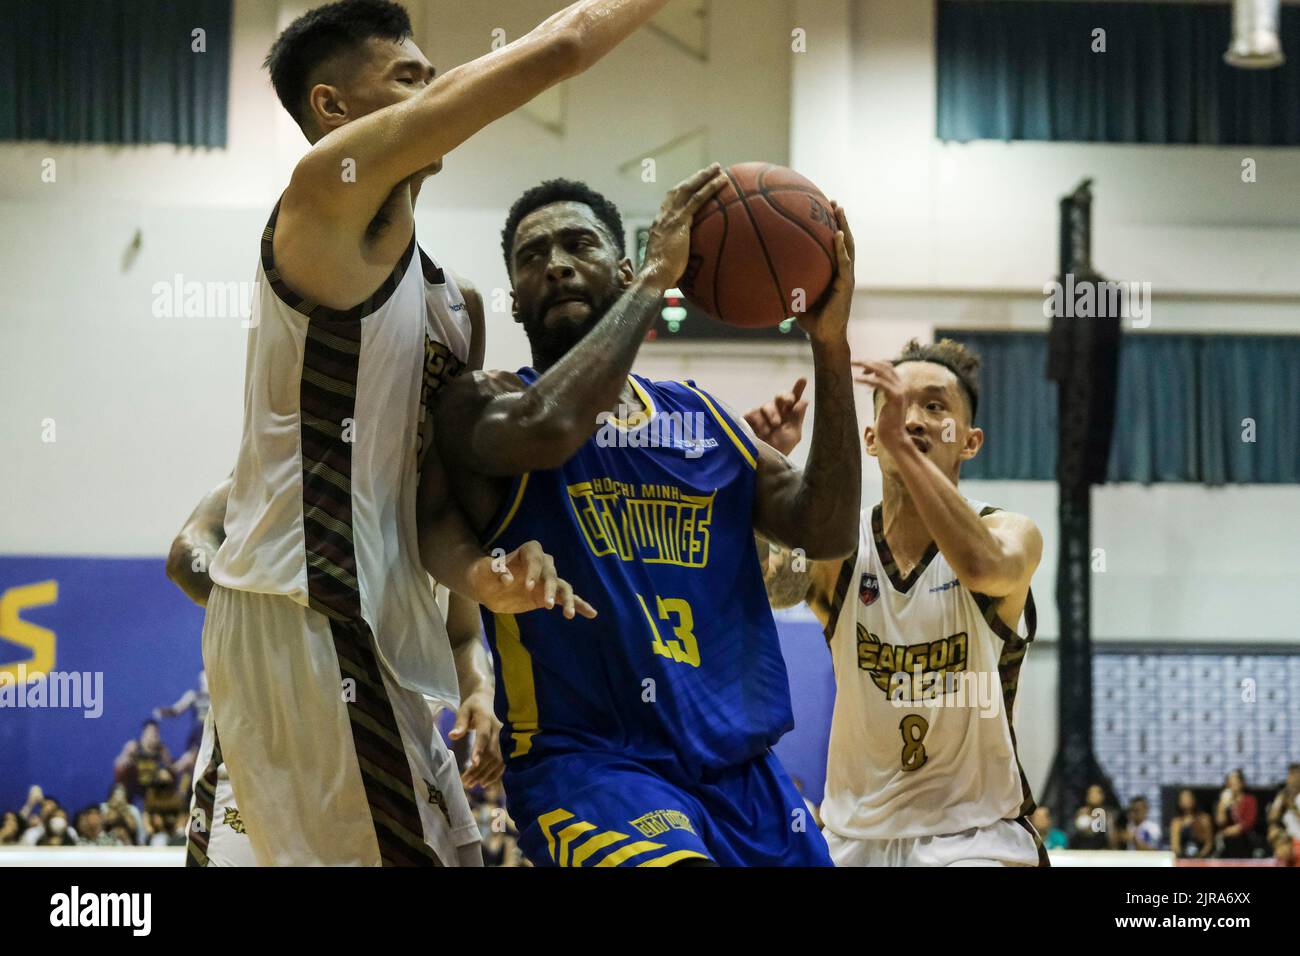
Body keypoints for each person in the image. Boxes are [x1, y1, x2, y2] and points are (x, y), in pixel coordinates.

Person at [185, 0, 672, 866]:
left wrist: (485, 580)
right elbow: (562, 44)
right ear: (332, 108)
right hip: (307, 612)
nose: (436, 90)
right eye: (409, 77)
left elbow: (429, 508)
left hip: (371, 633)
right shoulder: (320, 198)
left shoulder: (453, 303)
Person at [434, 172, 860, 866]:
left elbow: (828, 529)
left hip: (742, 776)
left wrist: (832, 344)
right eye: (532, 257)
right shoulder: (484, 407)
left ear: (625, 268)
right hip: (594, 770)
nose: (557, 265)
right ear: (513, 299)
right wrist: (657, 281)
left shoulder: (705, 419)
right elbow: (554, 425)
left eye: (579, 244)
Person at [755, 339, 1044, 866]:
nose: (911, 421)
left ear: (970, 441)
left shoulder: (1010, 532)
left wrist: (906, 453)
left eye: (934, 406)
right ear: (870, 439)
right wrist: (754, 474)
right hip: (853, 835)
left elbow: (983, 568)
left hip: (975, 837)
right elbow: (772, 588)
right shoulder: (841, 548)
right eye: (896, 406)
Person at [1214, 769, 1259, 858]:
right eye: (1230, 783)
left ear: (1242, 783)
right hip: (1227, 838)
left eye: (1236, 782)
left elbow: (1250, 821)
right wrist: (1222, 807)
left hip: (1245, 836)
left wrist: (1235, 829)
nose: (1233, 785)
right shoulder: (1223, 800)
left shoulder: (1249, 799)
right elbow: (1220, 822)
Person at [1169, 788, 1214, 859]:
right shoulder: (1176, 822)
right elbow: (1175, 845)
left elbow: (1209, 843)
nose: (1187, 800)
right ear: (1179, 802)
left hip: (1202, 858)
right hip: (1183, 858)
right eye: (1184, 798)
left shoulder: (1204, 818)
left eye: (1189, 797)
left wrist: (1200, 857)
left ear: (1194, 799)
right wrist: (1182, 858)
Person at [1266, 763, 1300, 846]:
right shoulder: (1283, 794)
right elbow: (1271, 818)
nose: (1290, 779)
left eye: (1294, 775)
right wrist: (1280, 804)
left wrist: (1292, 806)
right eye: (1289, 775)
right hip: (1287, 837)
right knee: (1273, 830)